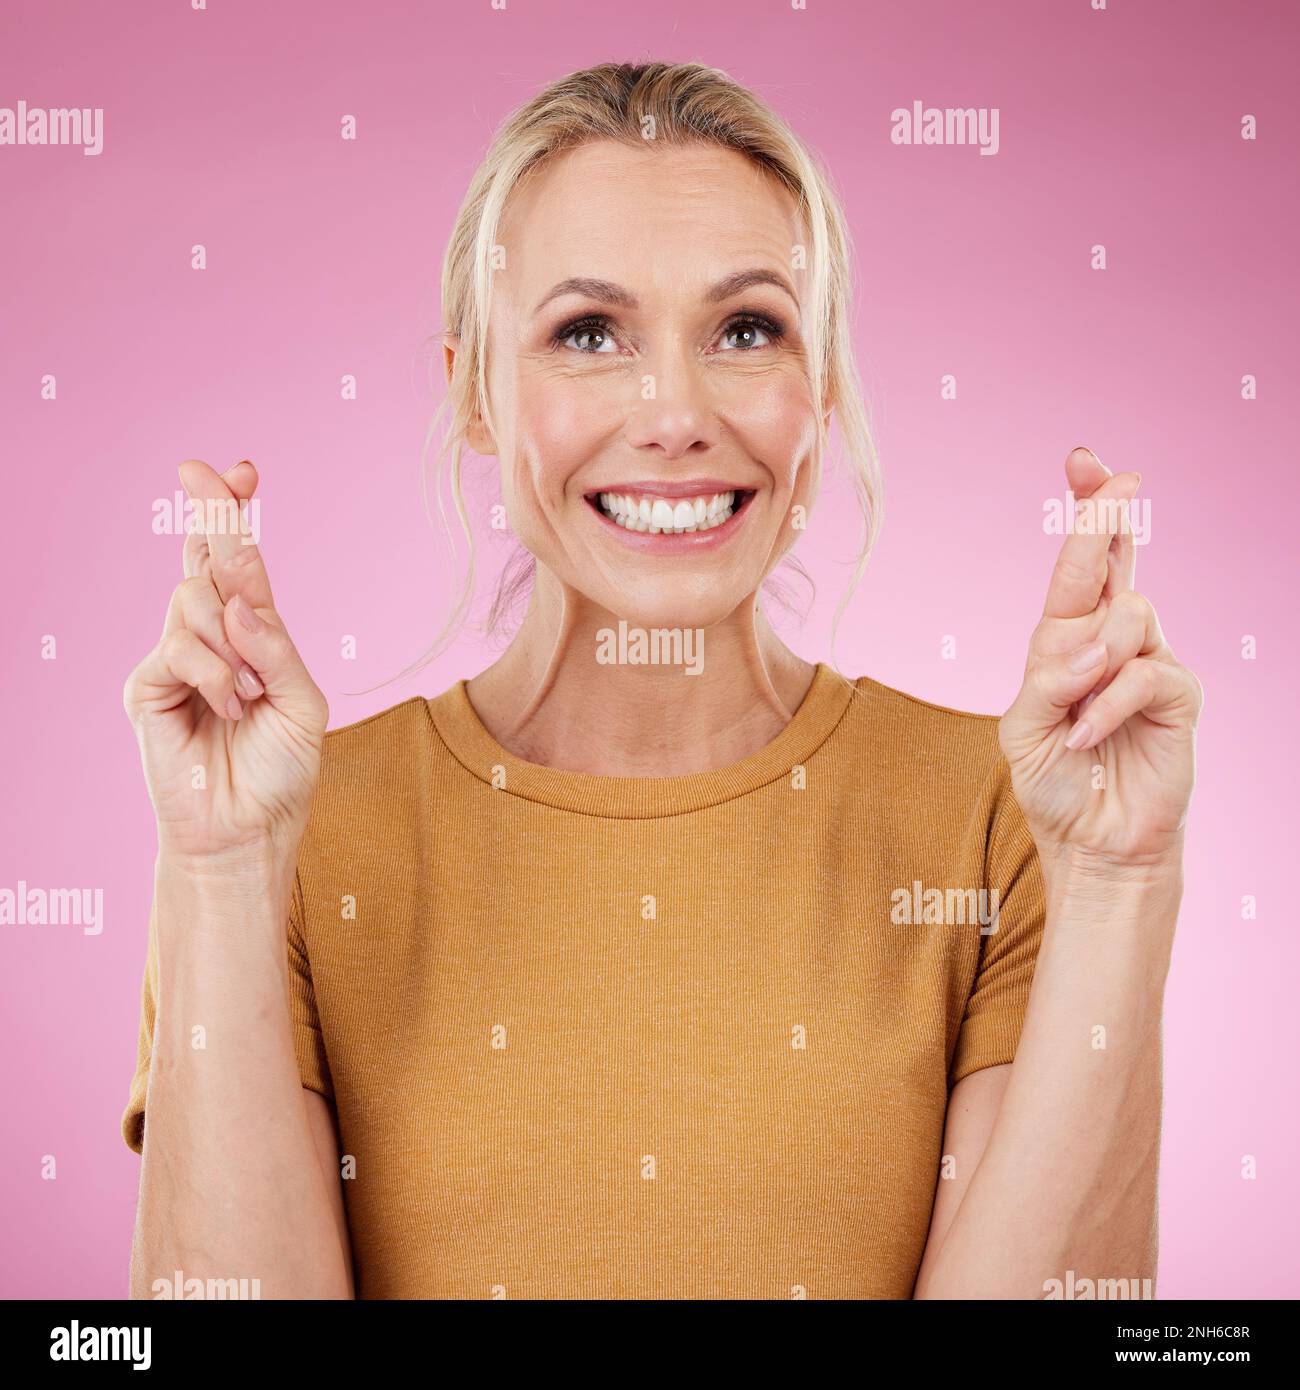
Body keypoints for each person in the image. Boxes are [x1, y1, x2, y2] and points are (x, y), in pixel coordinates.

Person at [120, 61, 1201, 1300]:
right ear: (476, 390)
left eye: (746, 330)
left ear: (823, 388)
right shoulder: (286, 826)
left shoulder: (1003, 812)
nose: (674, 412)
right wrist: (217, 874)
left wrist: (1120, 882)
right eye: (588, 333)